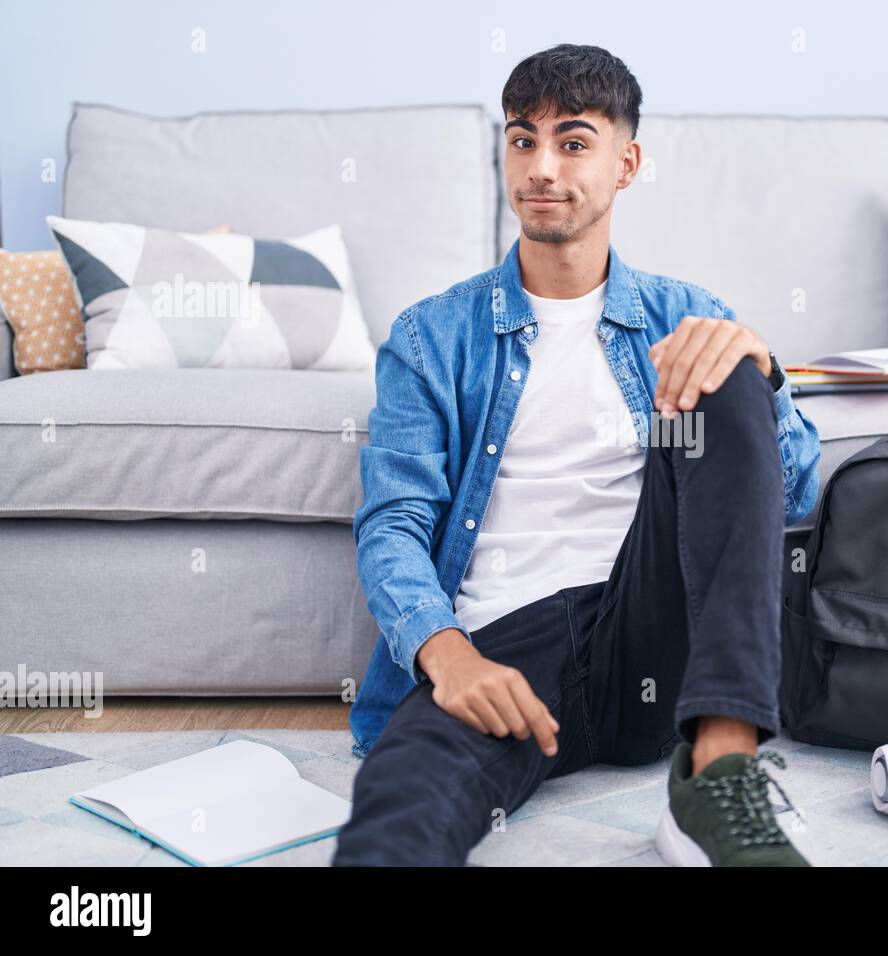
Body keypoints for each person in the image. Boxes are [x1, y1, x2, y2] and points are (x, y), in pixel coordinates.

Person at [332, 42, 821, 867]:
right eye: (523, 140)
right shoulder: (431, 336)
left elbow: (798, 501)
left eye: (574, 141)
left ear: (626, 163)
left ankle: (720, 767)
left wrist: (764, 377)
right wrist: (447, 655)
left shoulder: (686, 315)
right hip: (503, 651)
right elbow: (392, 524)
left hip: (652, 630)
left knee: (729, 358)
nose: (542, 168)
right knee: (399, 801)